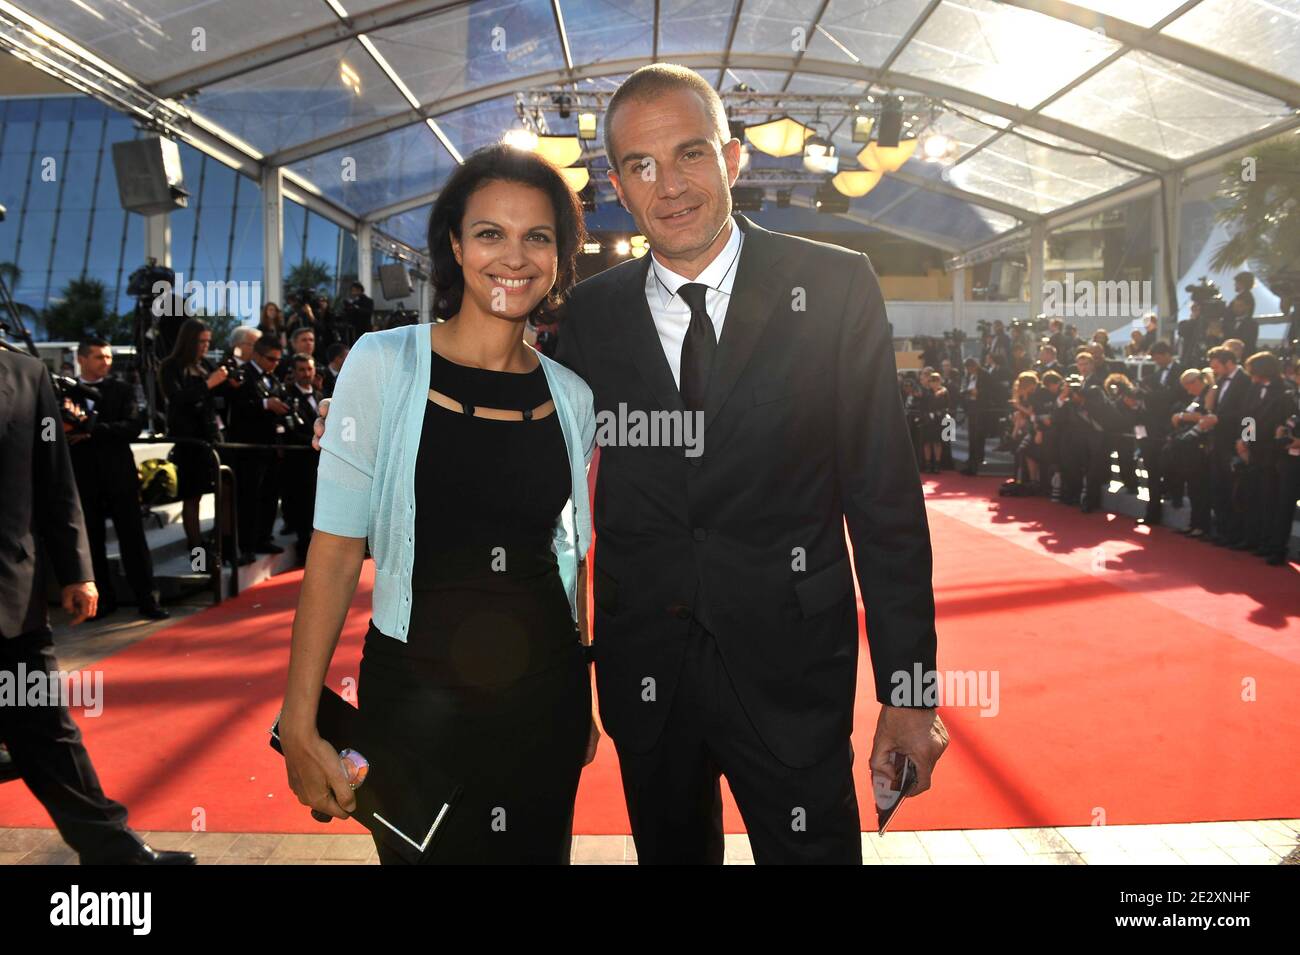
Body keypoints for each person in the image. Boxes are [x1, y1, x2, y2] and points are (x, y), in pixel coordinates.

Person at [553, 64, 944, 864]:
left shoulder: (832, 286)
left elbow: (885, 502)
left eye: (690, 153)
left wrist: (909, 691)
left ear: (733, 160)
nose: (669, 185)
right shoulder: (590, 314)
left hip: (793, 669)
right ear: (618, 188)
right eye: (640, 165)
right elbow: (557, 507)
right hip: (646, 674)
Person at [285, 144, 598, 864]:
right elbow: (334, 551)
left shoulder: (572, 397)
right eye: (490, 232)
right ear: (454, 245)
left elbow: (568, 556)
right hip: (415, 702)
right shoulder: (381, 364)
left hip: (544, 699)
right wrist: (299, 721)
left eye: (537, 236)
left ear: (559, 257)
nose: (512, 256)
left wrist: (580, 690)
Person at [0, 345, 194, 864]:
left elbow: (55, 484)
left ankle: (115, 855)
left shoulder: (23, 372)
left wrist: (78, 572)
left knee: (47, 730)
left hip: (11, 596)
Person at [66, 339, 169, 620]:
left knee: (133, 539)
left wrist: (92, 431)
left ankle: (148, 599)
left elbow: (133, 426)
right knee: (92, 543)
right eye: (99, 357)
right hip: (84, 477)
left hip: (119, 475)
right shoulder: (65, 392)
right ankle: (102, 603)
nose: (106, 362)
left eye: (108, 357)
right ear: (82, 359)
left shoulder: (121, 390)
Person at [159, 318, 238, 561]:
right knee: (192, 496)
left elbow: (217, 395)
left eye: (208, 342)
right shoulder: (170, 366)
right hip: (188, 440)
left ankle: (222, 546)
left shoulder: (205, 364)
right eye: (201, 342)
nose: (205, 346)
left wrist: (229, 384)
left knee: (225, 489)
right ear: (189, 341)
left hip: (212, 436)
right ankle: (197, 553)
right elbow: (177, 399)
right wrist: (209, 384)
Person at [279, 352, 322, 566]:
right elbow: (292, 431)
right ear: (294, 373)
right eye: (302, 370)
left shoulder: (321, 395)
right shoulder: (288, 398)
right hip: (300, 464)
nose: (306, 374)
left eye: (309, 369)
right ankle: (304, 550)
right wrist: (319, 441)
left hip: (321, 463)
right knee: (304, 506)